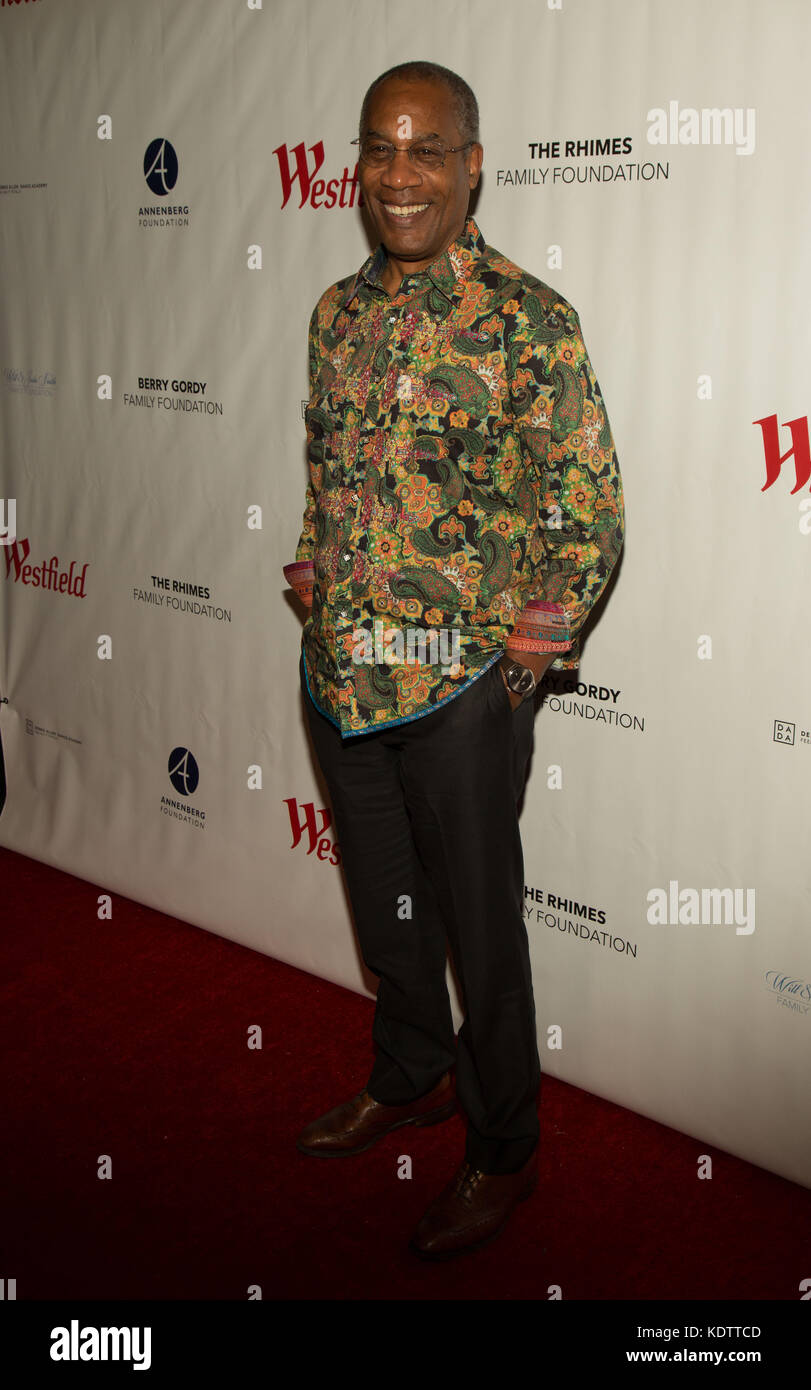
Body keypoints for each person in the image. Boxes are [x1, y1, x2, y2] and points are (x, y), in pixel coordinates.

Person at [283, 60, 624, 1260]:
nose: (401, 174)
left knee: (481, 934)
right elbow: (333, 482)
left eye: (429, 150)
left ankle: (503, 1149)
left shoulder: (529, 320)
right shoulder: (333, 314)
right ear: (357, 164)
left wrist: (514, 672)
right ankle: (409, 1072)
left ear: (474, 164)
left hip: (457, 692)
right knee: (390, 915)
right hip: (345, 684)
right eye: (381, 147)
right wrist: (317, 576)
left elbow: (589, 517)